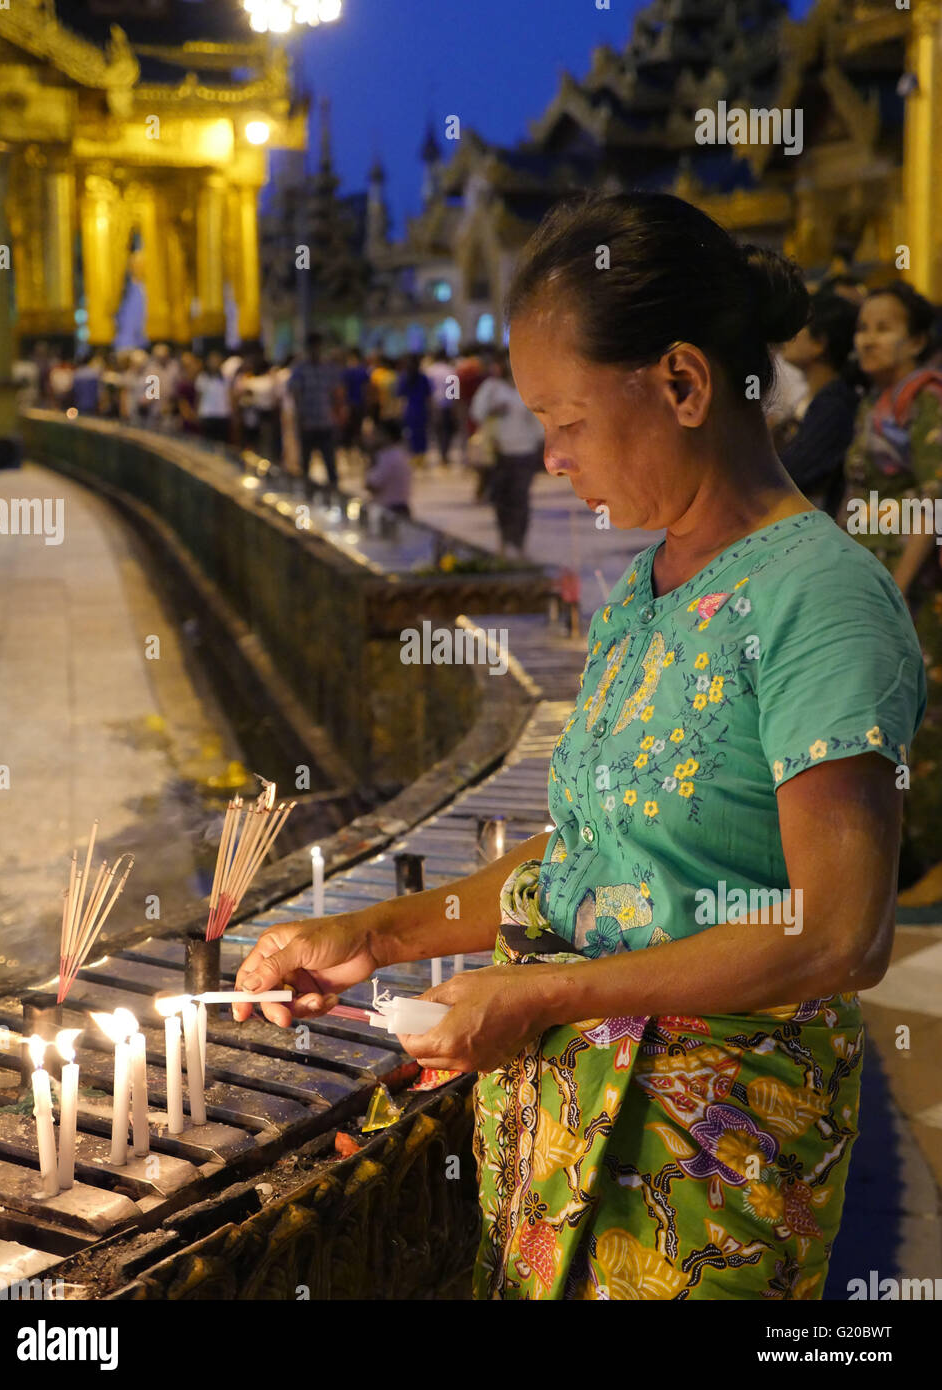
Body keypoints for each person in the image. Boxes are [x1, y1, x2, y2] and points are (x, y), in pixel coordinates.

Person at [231, 190, 924, 1302]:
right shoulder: (645, 590)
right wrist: (374, 933)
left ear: (684, 384)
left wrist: (544, 997)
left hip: (706, 1177)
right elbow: (592, 856)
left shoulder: (820, 600)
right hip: (559, 1141)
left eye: (567, 419)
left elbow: (839, 930)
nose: (550, 457)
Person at [838, 282, 942, 902]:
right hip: (873, 591)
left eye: (884, 327)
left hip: (917, 598)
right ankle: (896, 869)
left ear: (918, 339)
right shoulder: (875, 402)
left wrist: (897, 588)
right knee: (883, 720)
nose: (868, 339)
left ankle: (933, 869)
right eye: (863, 327)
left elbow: (934, 500)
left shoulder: (924, 400)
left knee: (923, 724)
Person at [778, 290, 861, 516]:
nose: (788, 333)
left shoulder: (834, 406)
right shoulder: (818, 399)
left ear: (820, 343)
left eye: (799, 325)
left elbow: (790, 476)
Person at [469, 349, 544, 557]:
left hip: (525, 451)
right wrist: (492, 410)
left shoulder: (528, 388)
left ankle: (518, 543)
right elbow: (476, 413)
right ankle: (504, 540)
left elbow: (539, 422)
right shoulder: (491, 388)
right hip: (498, 453)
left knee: (520, 498)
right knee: (501, 498)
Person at [289, 332, 344, 491]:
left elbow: (336, 393)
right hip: (308, 423)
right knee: (305, 464)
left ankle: (334, 493)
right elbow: (295, 395)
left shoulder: (328, 368)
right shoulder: (300, 368)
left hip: (325, 422)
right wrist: (299, 419)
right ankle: (305, 494)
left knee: (330, 464)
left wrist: (337, 415)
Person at [364, 417, 413, 519]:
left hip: (389, 511)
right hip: (402, 507)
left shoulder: (386, 457)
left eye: (378, 433)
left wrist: (370, 465)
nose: (374, 437)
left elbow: (372, 485)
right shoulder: (402, 453)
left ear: (387, 435)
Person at [396, 352, 432, 464]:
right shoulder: (423, 378)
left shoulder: (403, 377)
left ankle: (413, 457)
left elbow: (400, 396)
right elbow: (428, 396)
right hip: (421, 408)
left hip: (409, 409)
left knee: (410, 434)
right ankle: (421, 457)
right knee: (422, 433)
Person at [423, 349, 458, 464]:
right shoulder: (450, 370)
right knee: (447, 430)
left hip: (434, 404)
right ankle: (444, 453)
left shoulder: (430, 371)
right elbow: (454, 391)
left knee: (437, 430)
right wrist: (454, 406)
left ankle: (440, 452)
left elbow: (427, 390)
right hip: (447, 404)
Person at [194, 350, 233, 443]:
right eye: (212, 361)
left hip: (222, 414)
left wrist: (232, 412)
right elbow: (198, 397)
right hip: (207, 415)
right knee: (207, 443)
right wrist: (196, 413)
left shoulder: (225, 378)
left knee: (222, 443)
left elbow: (229, 396)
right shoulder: (202, 377)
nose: (214, 363)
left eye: (216, 361)